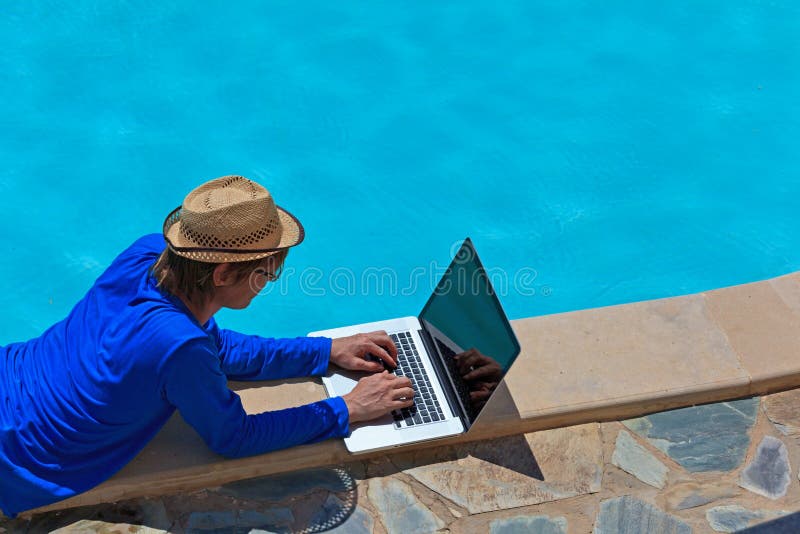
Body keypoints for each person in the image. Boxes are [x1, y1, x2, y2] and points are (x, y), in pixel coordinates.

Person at [0, 175, 415, 517]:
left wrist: (325, 351)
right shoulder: (178, 347)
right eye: (266, 273)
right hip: (17, 459)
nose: (267, 285)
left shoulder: (147, 255)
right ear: (221, 274)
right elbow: (232, 437)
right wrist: (348, 409)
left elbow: (217, 348)